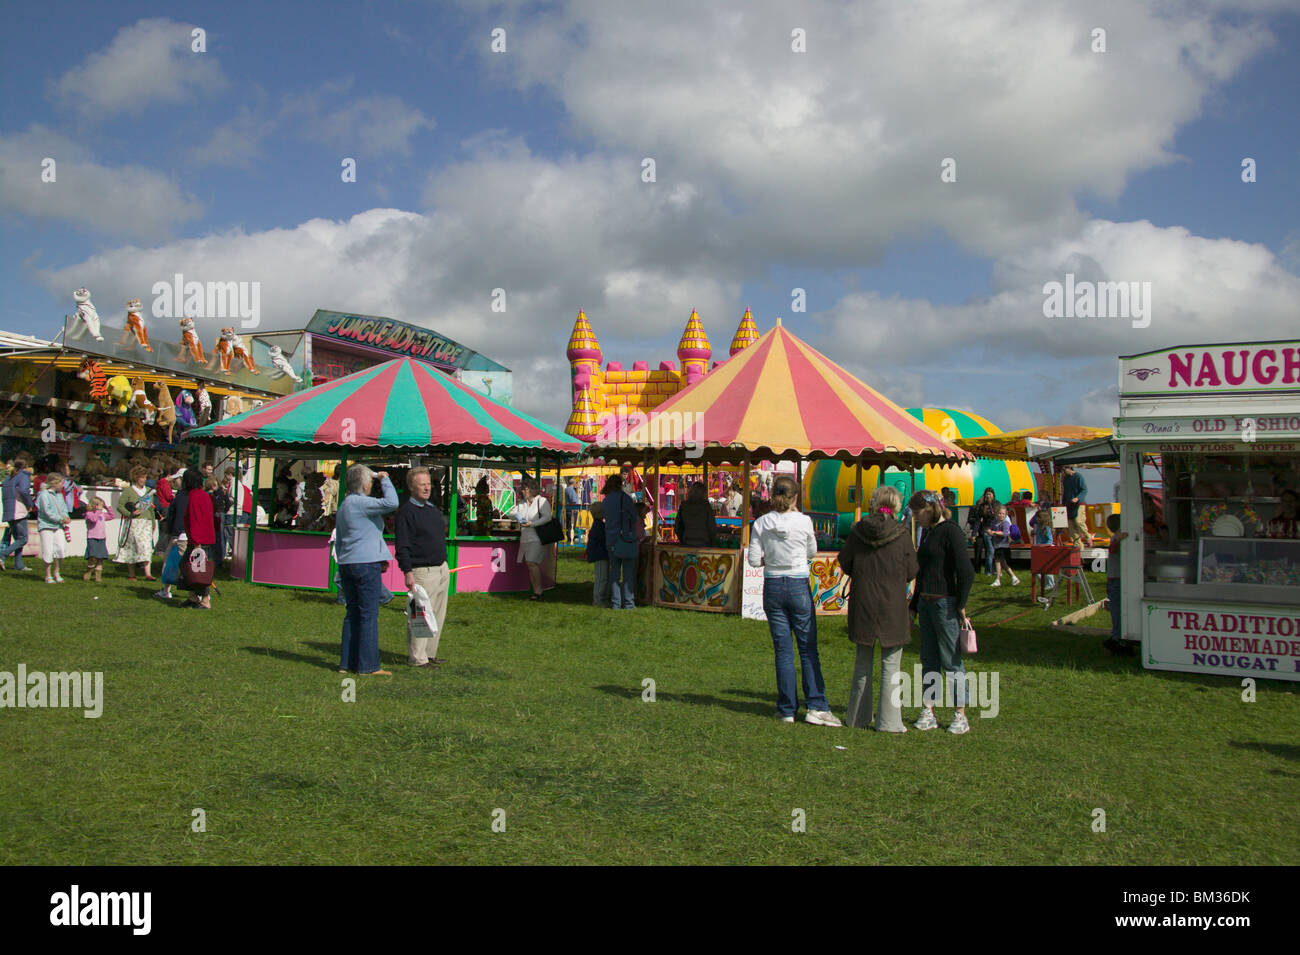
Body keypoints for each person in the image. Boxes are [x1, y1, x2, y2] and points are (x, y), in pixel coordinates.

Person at [747, 475, 841, 726]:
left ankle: (787, 708)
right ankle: (816, 706)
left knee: (783, 650)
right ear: (795, 497)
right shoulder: (804, 522)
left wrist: (772, 560)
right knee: (808, 648)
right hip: (798, 582)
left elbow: (754, 559)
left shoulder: (762, 523)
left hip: (774, 585)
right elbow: (812, 552)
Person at [838, 485, 918, 732]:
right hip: (891, 604)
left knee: (862, 662)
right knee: (891, 665)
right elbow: (912, 570)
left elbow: (845, 561)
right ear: (895, 506)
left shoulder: (858, 530)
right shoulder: (902, 534)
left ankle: (857, 718)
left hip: (863, 602)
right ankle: (889, 722)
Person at [908, 490, 975, 734]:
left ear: (929, 509)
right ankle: (929, 710)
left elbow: (966, 572)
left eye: (917, 513)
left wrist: (960, 604)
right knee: (929, 659)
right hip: (926, 603)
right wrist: (913, 606)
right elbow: (922, 573)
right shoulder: (928, 534)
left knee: (951, 660)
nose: (916, 518)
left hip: (945, 604)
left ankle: (960, 715)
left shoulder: (951, 532)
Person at [335, 466, 398, 675]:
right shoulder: (362, 502)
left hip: (347, 562)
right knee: (368, 614)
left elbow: (340, 538)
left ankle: (347, 663)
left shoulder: (345, 505)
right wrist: (384, 480)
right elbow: (392, 503)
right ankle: (369, 666)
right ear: (364, 484)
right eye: (370, 483)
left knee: (352, 613)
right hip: (366, 563)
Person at [395, 467, 449, 668]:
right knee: (420, 615)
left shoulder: (432, 510)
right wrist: (407, 571)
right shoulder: (406, 513)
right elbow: (403, 546)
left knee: (437, 614)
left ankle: (430, 653)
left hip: (440, 569)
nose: (427, 488)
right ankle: (417, 658)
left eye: (428, 484)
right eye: (422, 485)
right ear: (411, 487)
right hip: (421, 571)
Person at [180, 467, 216, 609]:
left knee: (197, 570)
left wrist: (196, 542)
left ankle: (204, 599)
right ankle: (193, 597)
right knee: (194, 568)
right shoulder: (203, 495)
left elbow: (195, 520)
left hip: (198, 540)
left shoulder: (194, 496)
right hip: (203, 538)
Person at [602, 474, 640, 610]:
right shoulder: (626, 499)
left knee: (614, 573)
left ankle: (616, 603)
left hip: (611, 539)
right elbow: (634, 517)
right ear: (620, 484)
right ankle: (629, 603)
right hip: (625, 538)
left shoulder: (606, 501)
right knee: (628, 573)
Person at [512, 478, 553, 601]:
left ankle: (538, 590)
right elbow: (512, 512)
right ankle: (536, 590)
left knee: (531, 563)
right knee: (531, 565)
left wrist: (532, 523)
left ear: (530, 490)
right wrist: (517, 517)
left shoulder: (542, 501)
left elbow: (547, 517)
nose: (522, 491)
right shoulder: (522, 503)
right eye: (523, 489)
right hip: (525, 537)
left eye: (524, 489)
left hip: (537, 538)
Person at [115, 466, 157, 580]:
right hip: (133, 522)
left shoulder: (149, 491)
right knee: (132, 547)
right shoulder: (128, 491)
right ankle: (131, 574)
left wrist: (153, 522)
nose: (143, 479)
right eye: (141, 477)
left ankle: (148, 573)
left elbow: (151, 508)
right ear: (136, 478)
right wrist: (130, 513)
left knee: (146, 547)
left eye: (145, 477)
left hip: (146, 522)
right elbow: (120, 506)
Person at [1102, 513, 1134, 657]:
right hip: (1115, 579)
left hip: (1116, 578)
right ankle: (1116, 638)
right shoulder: (1116, 538)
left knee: (1119, 609)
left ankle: (1118, 638)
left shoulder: (1116, 537)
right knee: (1117, 609)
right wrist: (1118, 541)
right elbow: (1112, 549)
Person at [35, 472, 72, 583]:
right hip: (46, 525)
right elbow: (46, 512)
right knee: (48, 550)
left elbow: (64, 509)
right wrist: (60, 519)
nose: (63, 486)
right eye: (61, 483)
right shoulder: (43, 495)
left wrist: (66, 517)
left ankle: (57, 571)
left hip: (58, 526)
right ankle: (48, 574)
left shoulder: (59, 495)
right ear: (55, 483)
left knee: (61, 549)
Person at [0, 454, 34, 572]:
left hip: (9, 511)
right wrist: (30, 504)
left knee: (18, 539)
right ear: (26, 466)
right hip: (19, 510)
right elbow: (24, 491)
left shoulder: (8, 478)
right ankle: (2, 555)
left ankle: (18, 564)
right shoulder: (23, 476)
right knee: (23, 539)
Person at [81, 495, 116, 582]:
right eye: (99, 505)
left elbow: (112, 516)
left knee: (100, 558)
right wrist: (98, 511)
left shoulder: (102, 515)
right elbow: (93, 519)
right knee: (92, 556)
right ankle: (89, 570)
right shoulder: (89, 514)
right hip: (92, 537)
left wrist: (107, 507)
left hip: (101, 538)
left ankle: (98, 576)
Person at [675, 481, 718, 547]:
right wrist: (713, 543)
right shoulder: (706, 506)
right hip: (704, 543)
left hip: (687, 542)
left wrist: (683, 539)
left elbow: (677, 527)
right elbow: (712, 527)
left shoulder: (684, 506)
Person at [967, 487, 998, 575]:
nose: (988, 496)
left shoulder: (997, 504)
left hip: (995, 530)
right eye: (986, 494)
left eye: (990, 494)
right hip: (985, 530)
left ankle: (992, 569)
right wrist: (973, 534)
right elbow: (977, 520)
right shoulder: (982, 506)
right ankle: (982, 570)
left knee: (992, 551)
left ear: (993, 495)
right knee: (985, 550)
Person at [988, 504, 1021, 586]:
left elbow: (1005, 533)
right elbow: (990, 529)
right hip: (997, 545)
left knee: (998, 561)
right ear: (996, 514)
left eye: (1003, 514)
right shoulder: (994, 522)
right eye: (999, 513)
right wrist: (989, 531)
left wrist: (995, 532)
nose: (1001, 515)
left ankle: (998, 579)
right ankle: (1014, 577)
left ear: (1005, 514)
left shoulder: (1005, 523)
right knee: (1003, 563)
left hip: (1003, 545)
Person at [586, 499, 610, 607]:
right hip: (600, 555)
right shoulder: (598, 526)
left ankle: (601, 598)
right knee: (601, 578)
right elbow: (603, 539)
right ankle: (598, 600)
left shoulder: (598, 525)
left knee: (603, 577)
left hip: (601, 554)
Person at [1030, 503, 1056, 597]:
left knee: (1047, 569)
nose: (1036, 519)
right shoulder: (1036, 526)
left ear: (1043, 518)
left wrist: (1043, 546)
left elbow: (1050, 540)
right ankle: (1045, 583)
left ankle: (1050, 584)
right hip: (1038, 549)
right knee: (1036, 570)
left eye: (1038, 517)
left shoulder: (1047, 528)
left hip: (1046, 550)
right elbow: (1030, 522)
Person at [1061, 465, 1091, 547]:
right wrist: (1063, 503)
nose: (1063, 472)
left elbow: (1084, 490)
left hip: (1079, 503)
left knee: (1078, 521)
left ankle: (1088, 537)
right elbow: (1065, 492)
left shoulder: (1078, 476)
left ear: (1069, 468)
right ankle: (1078, 545)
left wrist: (1077, 498)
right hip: (1069, 505)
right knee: (1070, 525)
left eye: (1064, 470)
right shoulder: (1065, 479)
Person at [563, 476, 580, 544]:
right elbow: (573, 500)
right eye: (576, 483)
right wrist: (575, 508)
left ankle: (569, 537)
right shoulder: (571, 490)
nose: (577, 484)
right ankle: (570, 538)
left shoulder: (567, 489)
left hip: (568, 509)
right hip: (572, 510)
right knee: (572, 524)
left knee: (569, 524)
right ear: (574, 483)